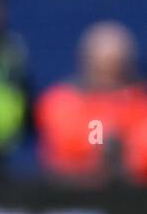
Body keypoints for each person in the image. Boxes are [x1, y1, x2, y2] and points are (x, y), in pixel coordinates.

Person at [35, 21, 147, 185]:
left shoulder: (141, 103)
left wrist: (127, 153)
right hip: (74, 194)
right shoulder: (61, 102)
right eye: (102, 68)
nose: (109, 79)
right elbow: (63, 151)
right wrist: (101, 147)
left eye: (118, 68)